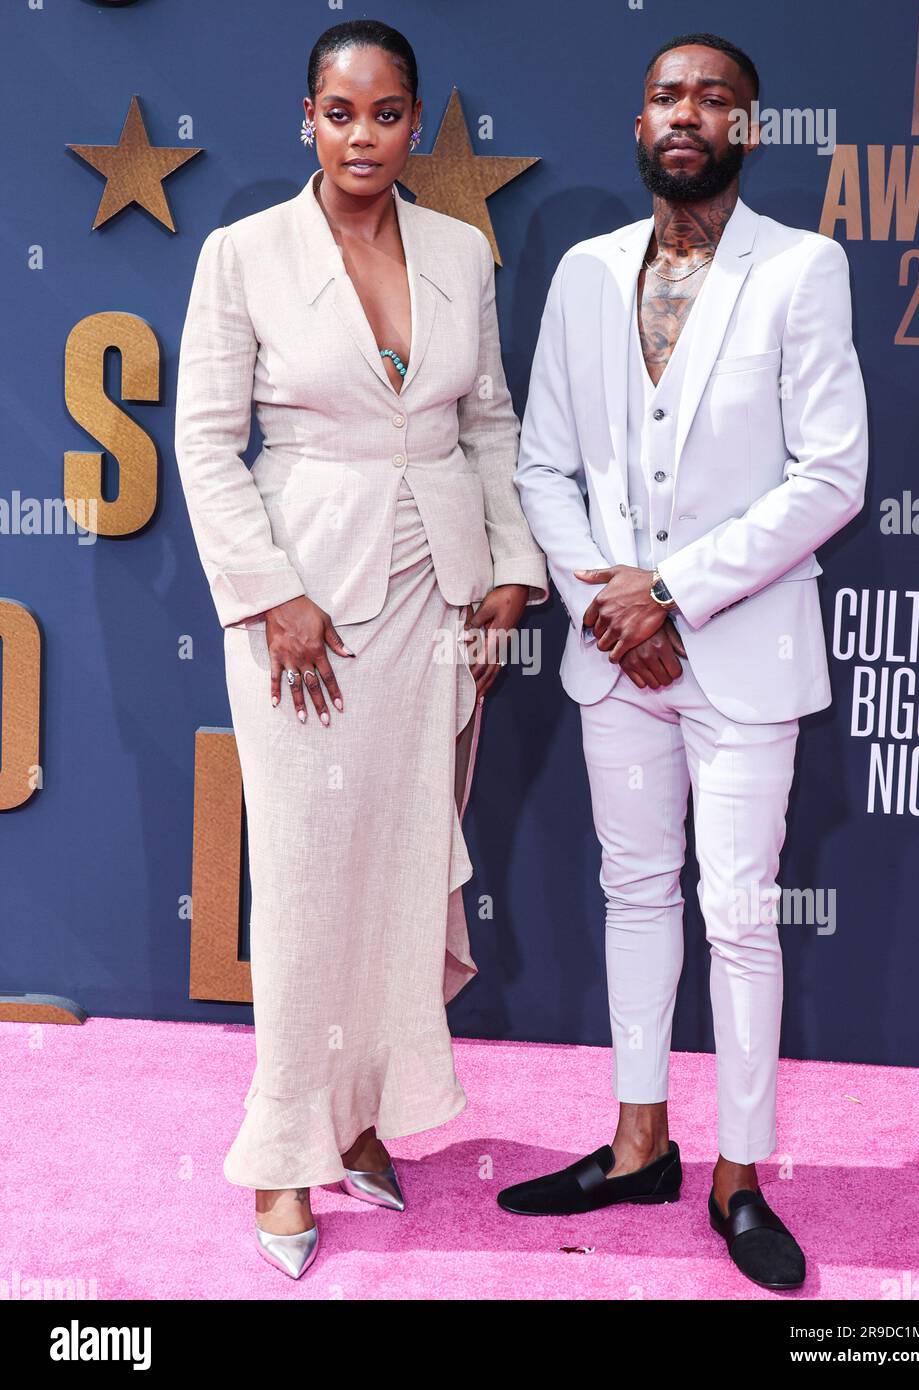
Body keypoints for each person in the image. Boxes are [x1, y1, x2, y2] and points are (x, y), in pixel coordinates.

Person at [174, 19, 547, 1280]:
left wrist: (506, 567)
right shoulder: (245, 253)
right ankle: (284, 1151)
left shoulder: (460, 251)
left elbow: (488, 424)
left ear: (414, 120)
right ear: (306, 118)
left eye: (387, 114)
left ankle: (362, 1117)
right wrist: (271, 592)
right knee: (304, 875)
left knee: (397, 871)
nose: (363, 137)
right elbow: (205, 442)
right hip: (306, 623)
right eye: (341, 112)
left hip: (437, 606)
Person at [504, 31, 867, 1291]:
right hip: (623, 657)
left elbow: (833, 475)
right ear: (641, 116)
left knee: (741, 914)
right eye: (666, 93)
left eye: (714, 97)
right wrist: (610, 604)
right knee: (632, 891)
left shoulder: (803, 269)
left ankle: (740, 1173)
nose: (687, 112)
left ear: (750, 127)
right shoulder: (586, 277)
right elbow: (544, 466)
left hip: (741, 650)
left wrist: (671, 592)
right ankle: (639, 1140)